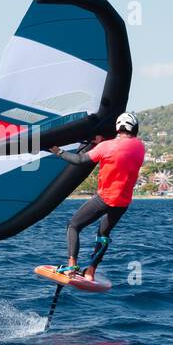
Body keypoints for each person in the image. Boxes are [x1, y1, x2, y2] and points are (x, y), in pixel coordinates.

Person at [47, 111, 146, 281]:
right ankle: (91, 271)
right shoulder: (140, 147)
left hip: (104, 199)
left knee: (73, 226)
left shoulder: (106, 147)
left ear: (118, 128)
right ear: (134, 129)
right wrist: (101, 142)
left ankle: (71, 266)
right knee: (103, 235)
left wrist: (58, 151)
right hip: (123, 202)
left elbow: (80, 160)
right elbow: (121, 150)